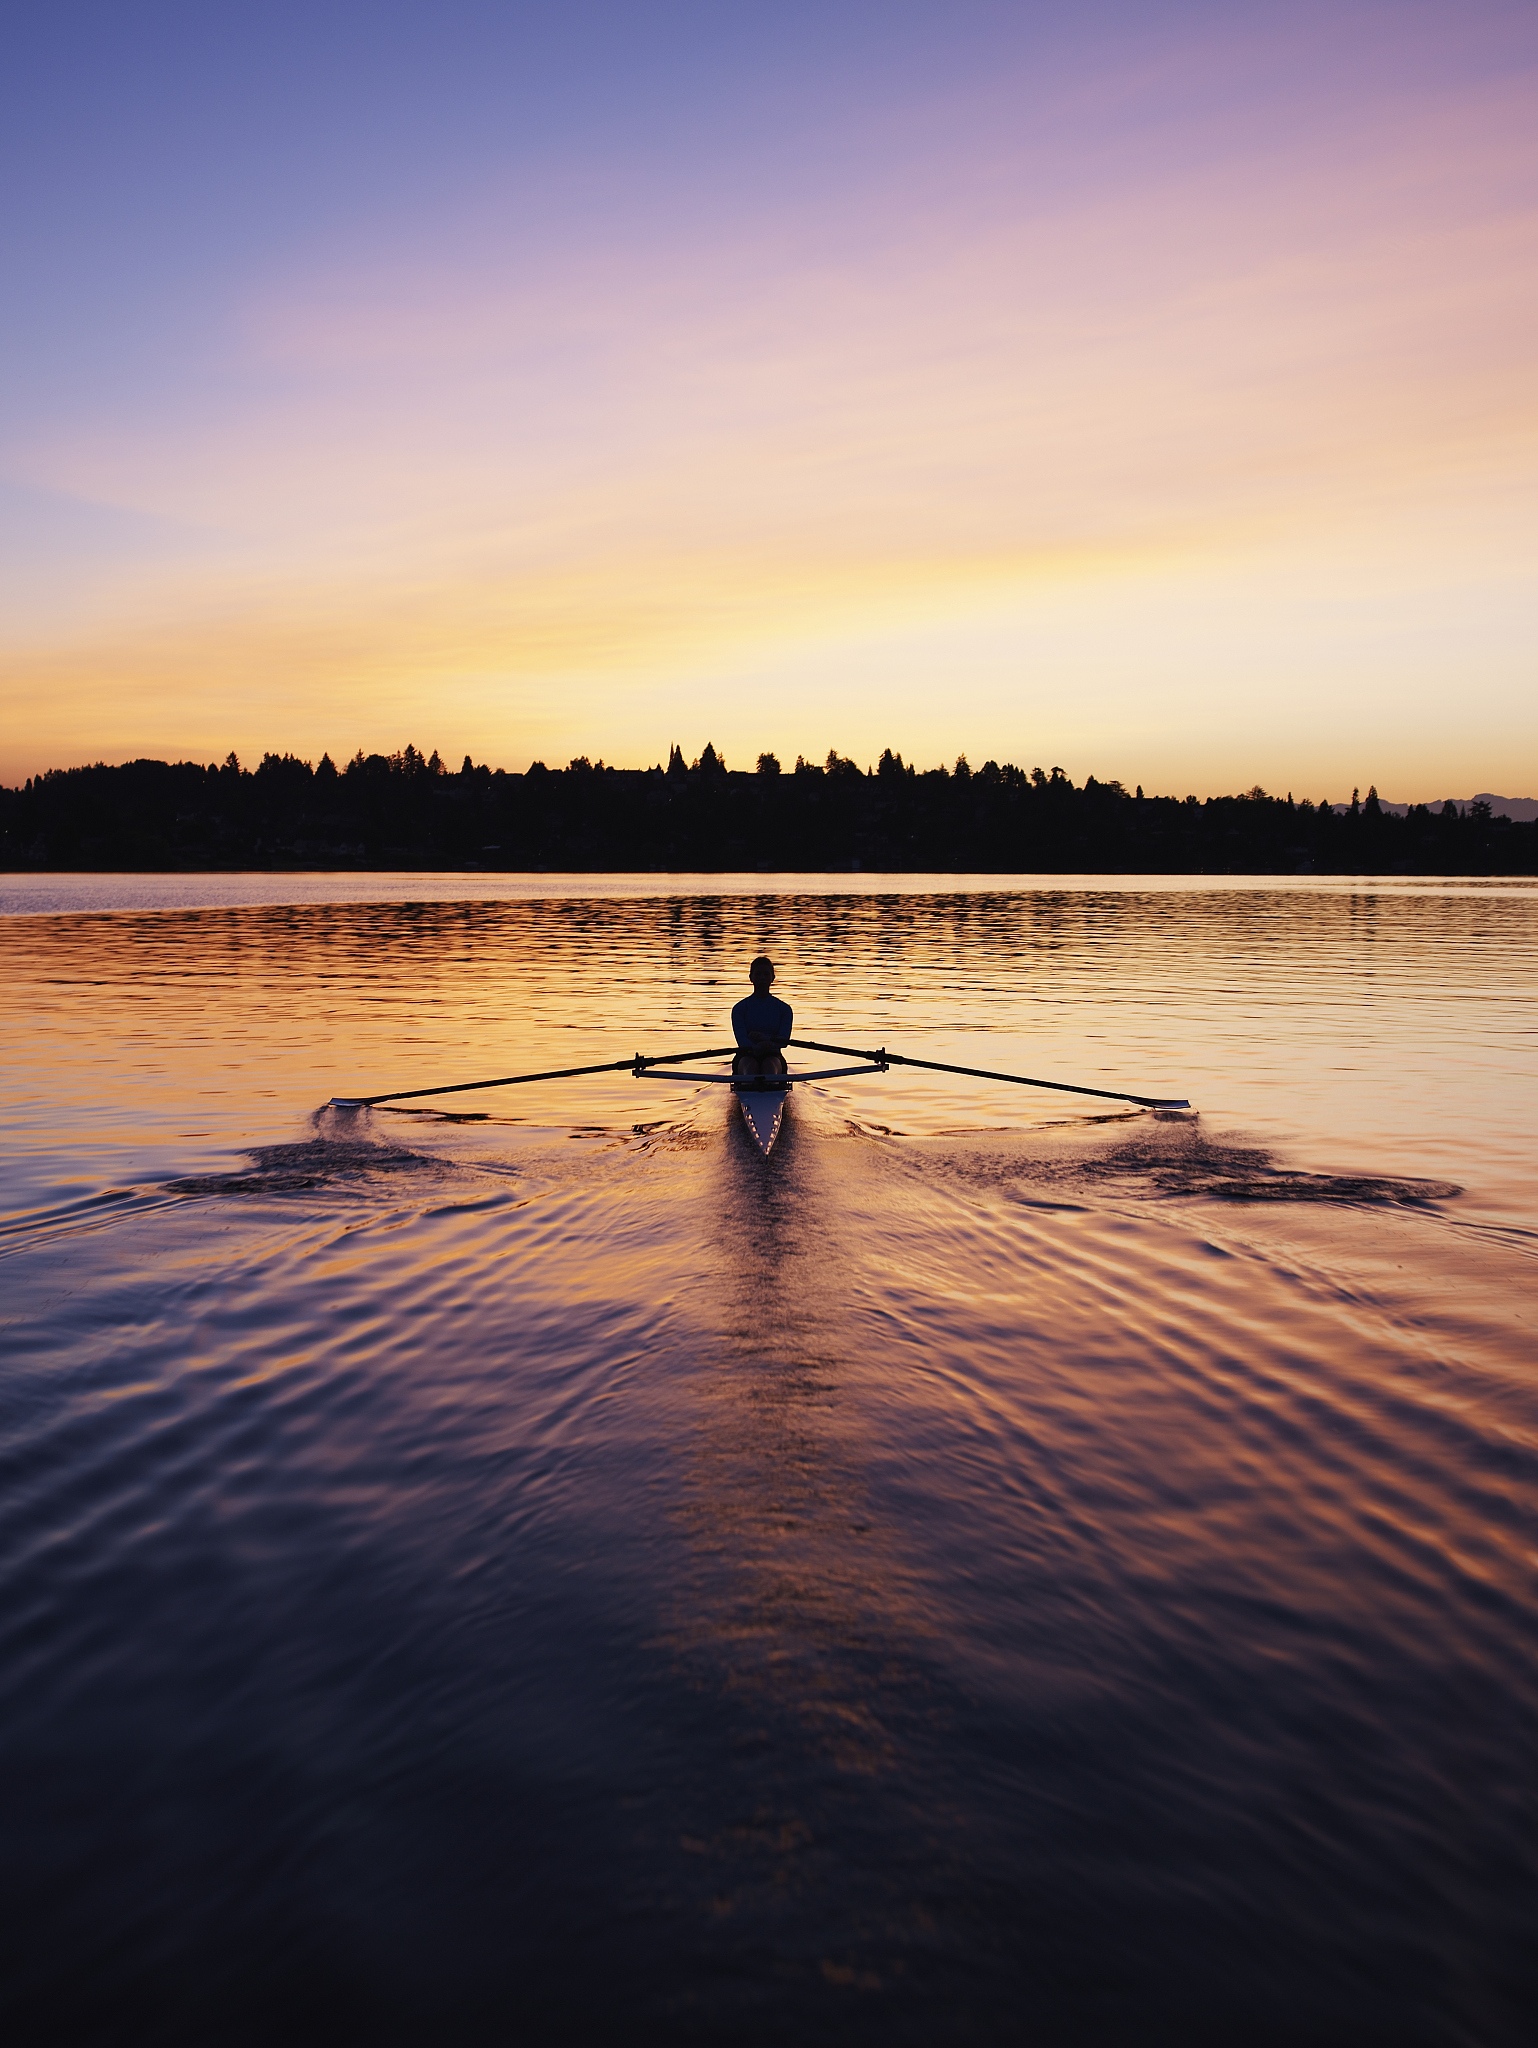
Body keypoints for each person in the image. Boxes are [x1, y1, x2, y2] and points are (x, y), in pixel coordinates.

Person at [731, 956, 792, 1079]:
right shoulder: (739, 1009)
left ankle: (768, 1087)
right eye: (758, 974)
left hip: (773, 1056)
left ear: (772, 978)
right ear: (751, 978)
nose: (762, 978)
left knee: (769, 1068)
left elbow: (784, 1041)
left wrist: (766, 1040)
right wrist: (757, 1046)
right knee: (751, 1069)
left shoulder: (784, 1009)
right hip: (746, 1055)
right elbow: (742, 1040)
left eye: (766, 974)